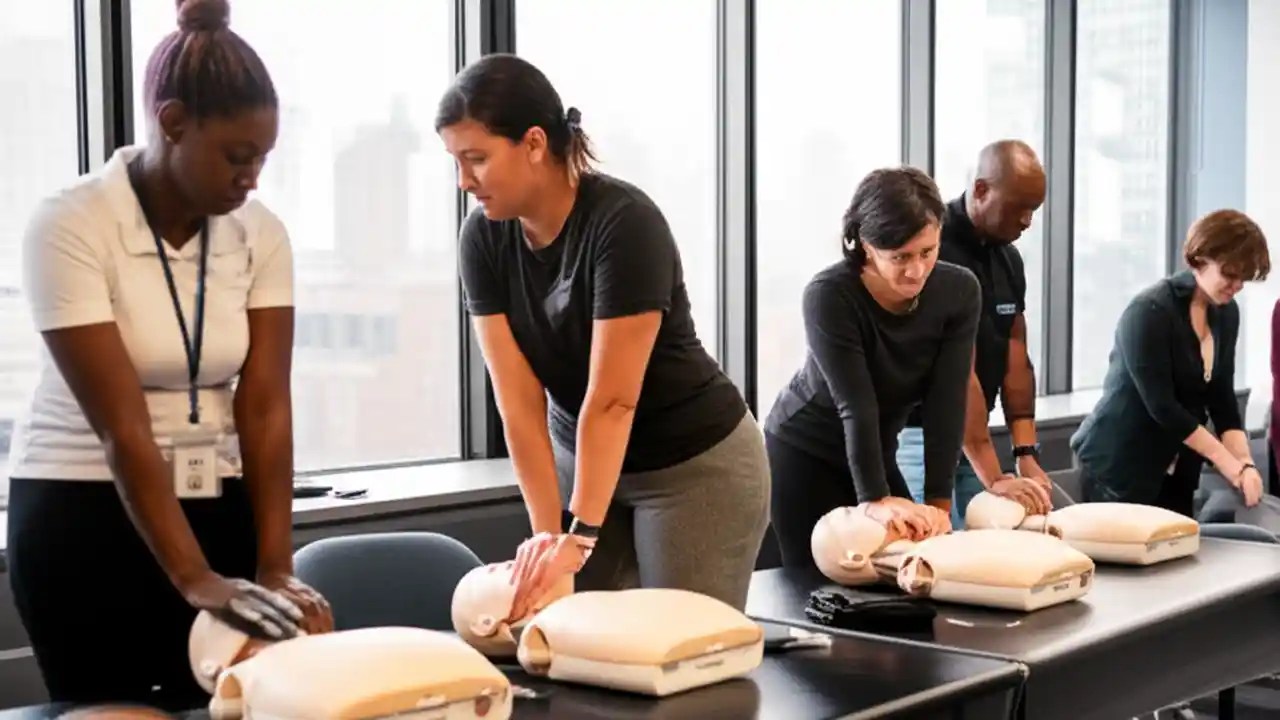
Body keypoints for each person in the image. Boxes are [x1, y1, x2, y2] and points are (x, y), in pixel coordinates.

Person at [6, 0, 332, 711]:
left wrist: (274, 564)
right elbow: (121, 427)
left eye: (264, 159)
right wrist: (194, 580)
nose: (252, 178)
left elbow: (266, 405)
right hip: (81, 511)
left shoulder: (258, 233)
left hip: (216, 501)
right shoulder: (70, 223)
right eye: (238, 157)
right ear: (174, 123)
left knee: (242, 702)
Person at [436, 54, 770, 616]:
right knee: (566, 637)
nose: (464, 182)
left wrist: (581, 535)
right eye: (455, 162)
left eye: (476, 159)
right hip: (583, 460)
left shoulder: (624, 223)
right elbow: (518, 403)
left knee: (676, 651)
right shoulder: (484, 239)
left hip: (692, 465)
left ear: (534, 143)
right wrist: (548, 540)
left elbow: (613, 400)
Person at [762, 166, 981, 569]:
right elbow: (856, 404)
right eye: (899, 257)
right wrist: (874, 501)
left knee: (914, 569)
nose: (915, 270)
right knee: (809, 590)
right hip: (802, 452)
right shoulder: (829, 295)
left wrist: (937, 507)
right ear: (864, 245)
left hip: (875, 454)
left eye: (927, 252)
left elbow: (946, 401)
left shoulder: (959, 292)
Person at [1071, 209, 1271, 516]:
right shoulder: (1150, 311)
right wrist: (1229, 465)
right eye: (1229, 274)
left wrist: (1245, 464)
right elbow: (1163, 407)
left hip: (1178, 469)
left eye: (1243, 278)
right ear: (1199, 260)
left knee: (1178, 558)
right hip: (1120, 465)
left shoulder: (1226, 313)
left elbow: (1222, 399)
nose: (1236, 286)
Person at [899, 140, 1053, 528]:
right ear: (981, 190)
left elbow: (1015, 352)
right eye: (1020, 208)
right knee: (928, 555)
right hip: (922, 438)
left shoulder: (1009, 259)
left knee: (985, 552)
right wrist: (994, 476)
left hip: (976, 437)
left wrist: (1025, 451)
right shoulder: (932, 250)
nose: (1027, 221)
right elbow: (955, 373)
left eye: (1033, 210)